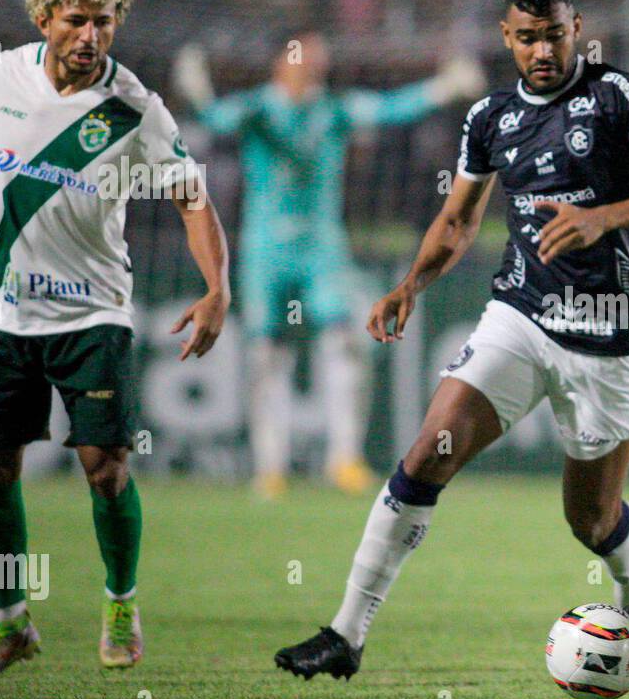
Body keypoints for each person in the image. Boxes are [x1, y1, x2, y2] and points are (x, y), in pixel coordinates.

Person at [273, 0, 629, 680]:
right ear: (508, 38)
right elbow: (458, 219)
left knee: (592, 523)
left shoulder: (617, 95)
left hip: (610, 332)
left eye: (556, 36)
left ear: (578, 32)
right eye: (529, 39)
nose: (544, 51)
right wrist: (409, 284)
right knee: (424, 458)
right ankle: (345, 635)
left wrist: (600, 217)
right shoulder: (490, 119)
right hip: (522, 317)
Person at [0, 0, 230, 672]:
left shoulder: (136, 108)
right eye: (76, 21)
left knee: (105, 467)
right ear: (44, 19)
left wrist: (216, 288)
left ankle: (121, 602)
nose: (91, 37)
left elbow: (191, 197)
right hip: (3, 312)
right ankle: (10, 621)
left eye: (104, 23)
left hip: (92, 315)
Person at [173, 32, 483, 497]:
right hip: (265, 251)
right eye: (304, 57)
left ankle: (345, 459)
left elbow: (391, 109)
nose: (312, 67)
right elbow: (217, 120)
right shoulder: (259, 108)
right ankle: (270, 466)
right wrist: (196, 88)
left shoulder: (333, 108)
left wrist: (445, 87)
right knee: (266, 355)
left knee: (344, 344)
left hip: (321, 248)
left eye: (319, 60)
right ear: (281, 62)